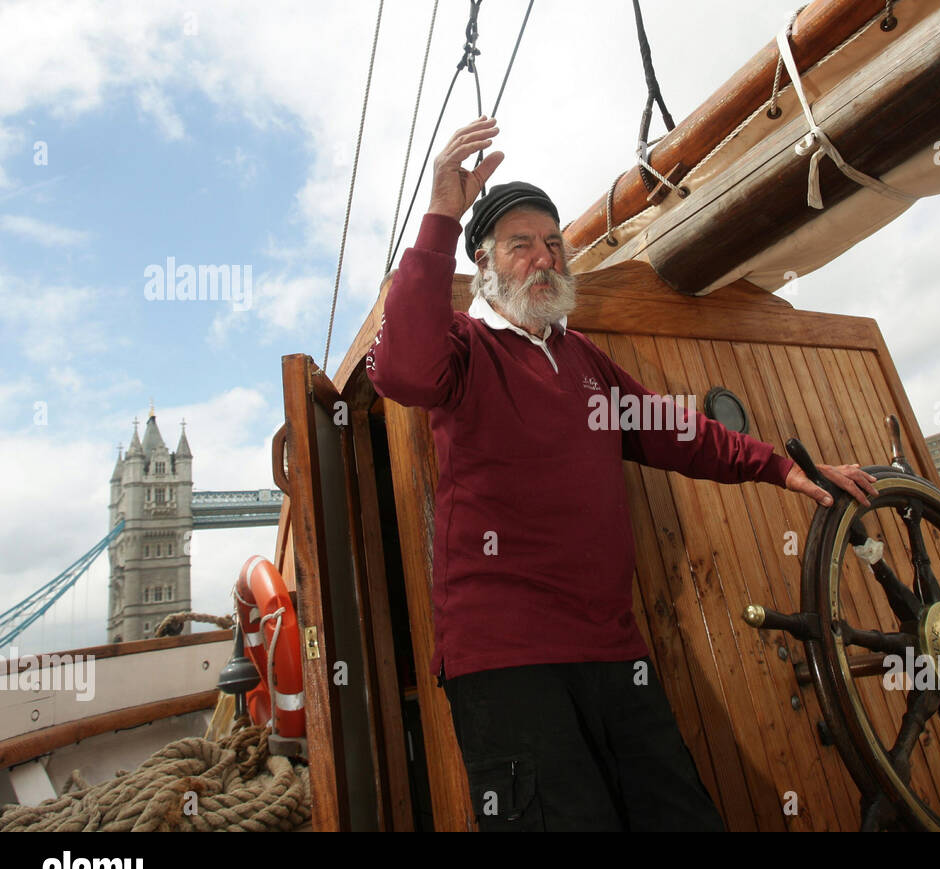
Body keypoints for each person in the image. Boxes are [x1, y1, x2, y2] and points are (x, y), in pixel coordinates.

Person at [366, 116, 879, 831]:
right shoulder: (465, 346)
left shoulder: (583, 360)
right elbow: (401, 370)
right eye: (521, 245)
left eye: (554, 243)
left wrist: (781, 467)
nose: (544, 257)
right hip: (508, 660)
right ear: (483, 265)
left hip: (614, 650)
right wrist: (442, 214)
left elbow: (678, 431)